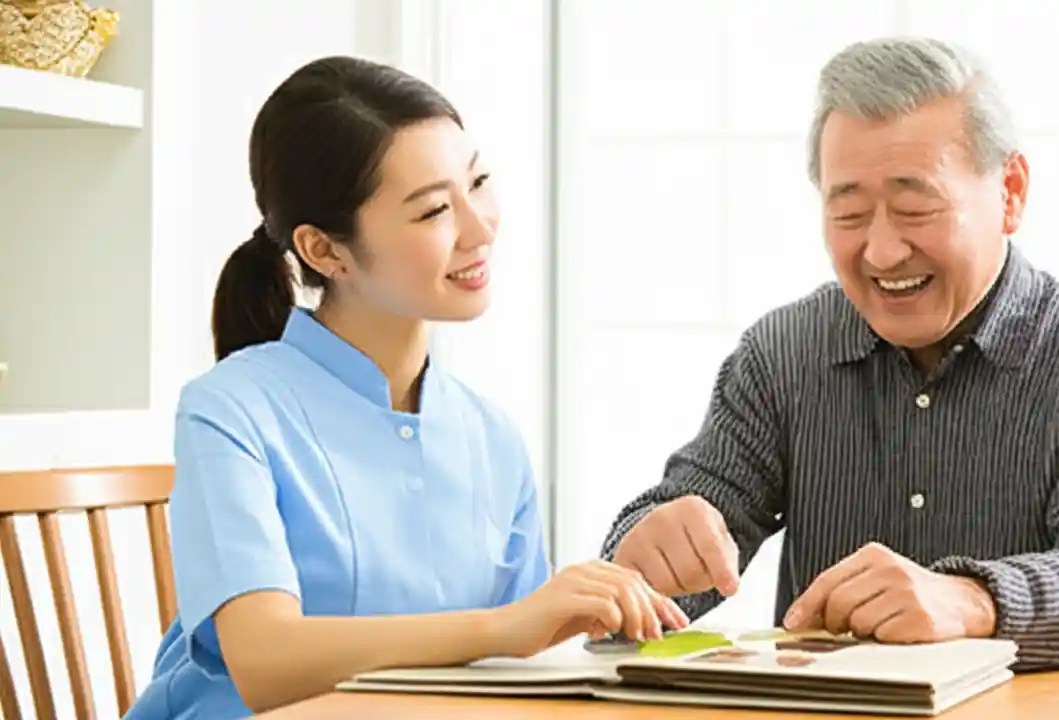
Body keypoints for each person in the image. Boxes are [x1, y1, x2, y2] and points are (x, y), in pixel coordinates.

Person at [126, 56, 686, 720]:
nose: (480, 228)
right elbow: (264, 660)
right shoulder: (230, 409)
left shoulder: (490, 434)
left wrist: (614, 596)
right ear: (324, 250)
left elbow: (521, 667)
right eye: (433, 211)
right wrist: (502, 626)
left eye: (477, 183)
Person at [603, 36, 1059, 671]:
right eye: (849, 214)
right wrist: (644, 558)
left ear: (1010, 191)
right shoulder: (782, 356)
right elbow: (683, 532)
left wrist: (972, 601)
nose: (881, 252)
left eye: (915, 208)